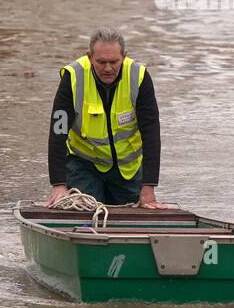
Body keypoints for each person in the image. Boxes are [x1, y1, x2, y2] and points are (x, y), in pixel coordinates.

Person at [46, 28, 169, 209]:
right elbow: (58, 132)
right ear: (89, 57)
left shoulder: (139, 77)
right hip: (84, 165)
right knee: (85, 213)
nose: (108, 68)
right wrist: (58, 185)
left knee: (134, 217)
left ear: (124, 56)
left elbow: (151, 134)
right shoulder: (73, 77)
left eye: (114, 62)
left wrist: (148, 187)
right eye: (101, 62)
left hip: (127, 170)